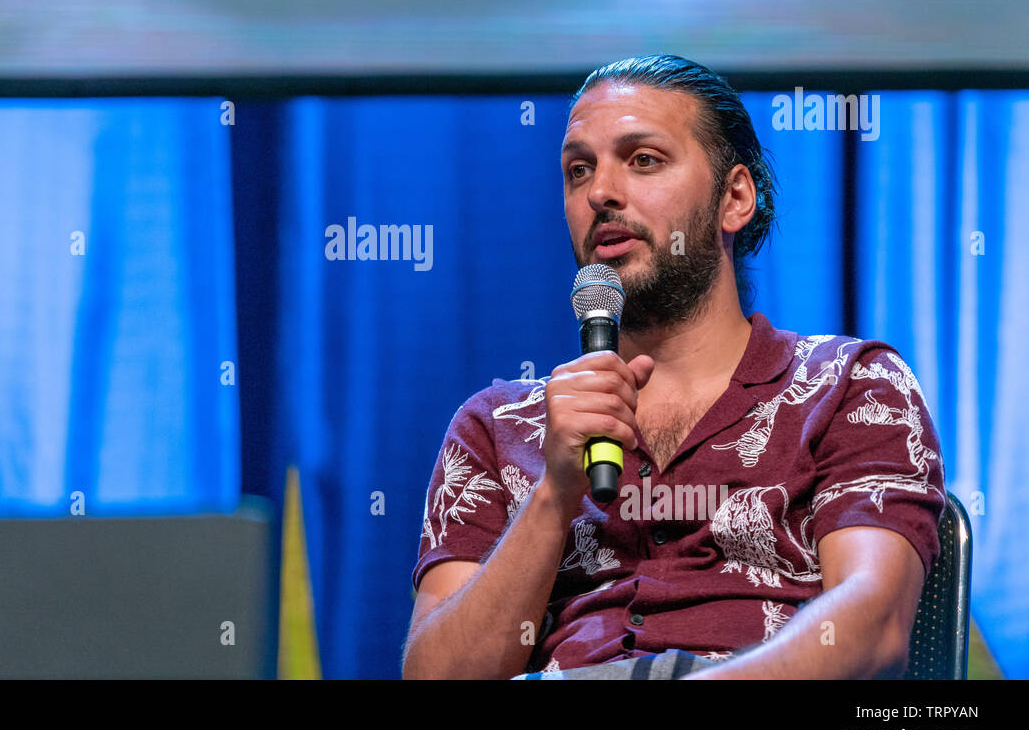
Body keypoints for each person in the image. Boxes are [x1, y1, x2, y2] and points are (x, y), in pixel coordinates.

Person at [401, 54, 947, 680]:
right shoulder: (498, 427)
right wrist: (554, 493)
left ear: (734, 197)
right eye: (579, 170)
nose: (599, 192)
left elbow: (871, 626)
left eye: (643, 160)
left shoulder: (849, 387)